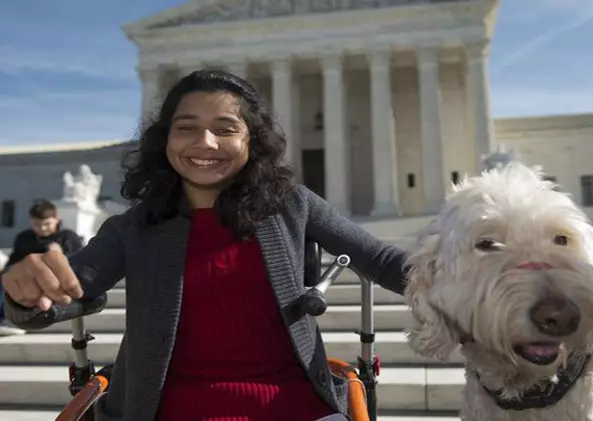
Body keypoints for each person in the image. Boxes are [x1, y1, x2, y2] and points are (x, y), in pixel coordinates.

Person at [1, 70, 409, 421]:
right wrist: (24, 294)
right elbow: (66, 291)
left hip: (295, 405)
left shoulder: (292, 205)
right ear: (166, 140)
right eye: (187, 128)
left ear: (253, 140)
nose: (206, 143)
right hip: (165, 408)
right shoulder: (134, 227)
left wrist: (464, 270)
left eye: (226, 128)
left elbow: (384, 261)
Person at [0, 199, 83, 336]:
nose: (42, 228)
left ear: (57, 219)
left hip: (53, 280)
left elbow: (78, 262)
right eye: (37, 224)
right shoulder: (24, 238)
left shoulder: (67, 237)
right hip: (24, 278)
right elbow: (13, 261)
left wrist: (60, 254)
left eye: (47, 224)